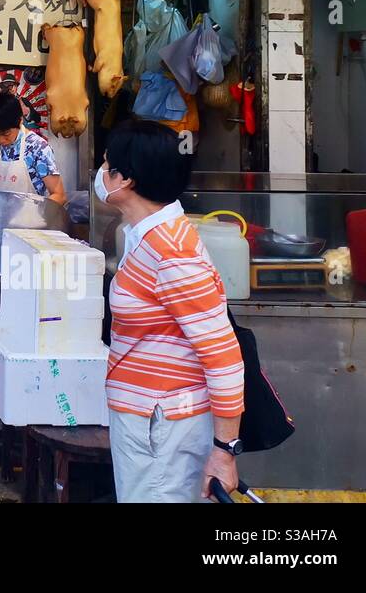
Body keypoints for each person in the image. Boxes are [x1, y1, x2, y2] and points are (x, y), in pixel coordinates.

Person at [99, 120, 244, 503]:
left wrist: (226, 451)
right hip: (148, 421)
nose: (101, 172)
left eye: (106, 164)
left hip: (163, 428)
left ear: (125, 179)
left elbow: (223, 356)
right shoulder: (144, 235)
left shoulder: (172, 253)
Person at [0, 90, 65, 204]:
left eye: (6, 134)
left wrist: (34, 213)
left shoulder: (38, 147)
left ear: (20, 120)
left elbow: (59, 195)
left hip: (29, 219)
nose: (1, 140)